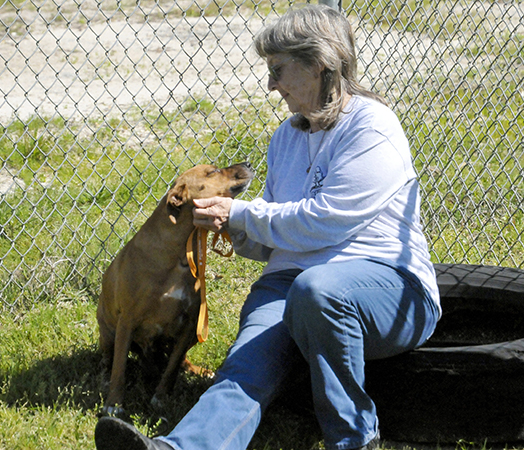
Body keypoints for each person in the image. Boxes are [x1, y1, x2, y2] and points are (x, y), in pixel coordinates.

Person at [95, 5, 441, 450]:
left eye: (278, 70)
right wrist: (232, 228)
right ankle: (178, 449)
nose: (270, 84)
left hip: (388, 289)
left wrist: (239, 214)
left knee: (319, 291)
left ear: (319, 63)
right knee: (245, 370)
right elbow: (274, 236)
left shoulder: (373, 128)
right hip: (290, 286)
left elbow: (325, 223)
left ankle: (354, 440)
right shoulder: (287, 137)